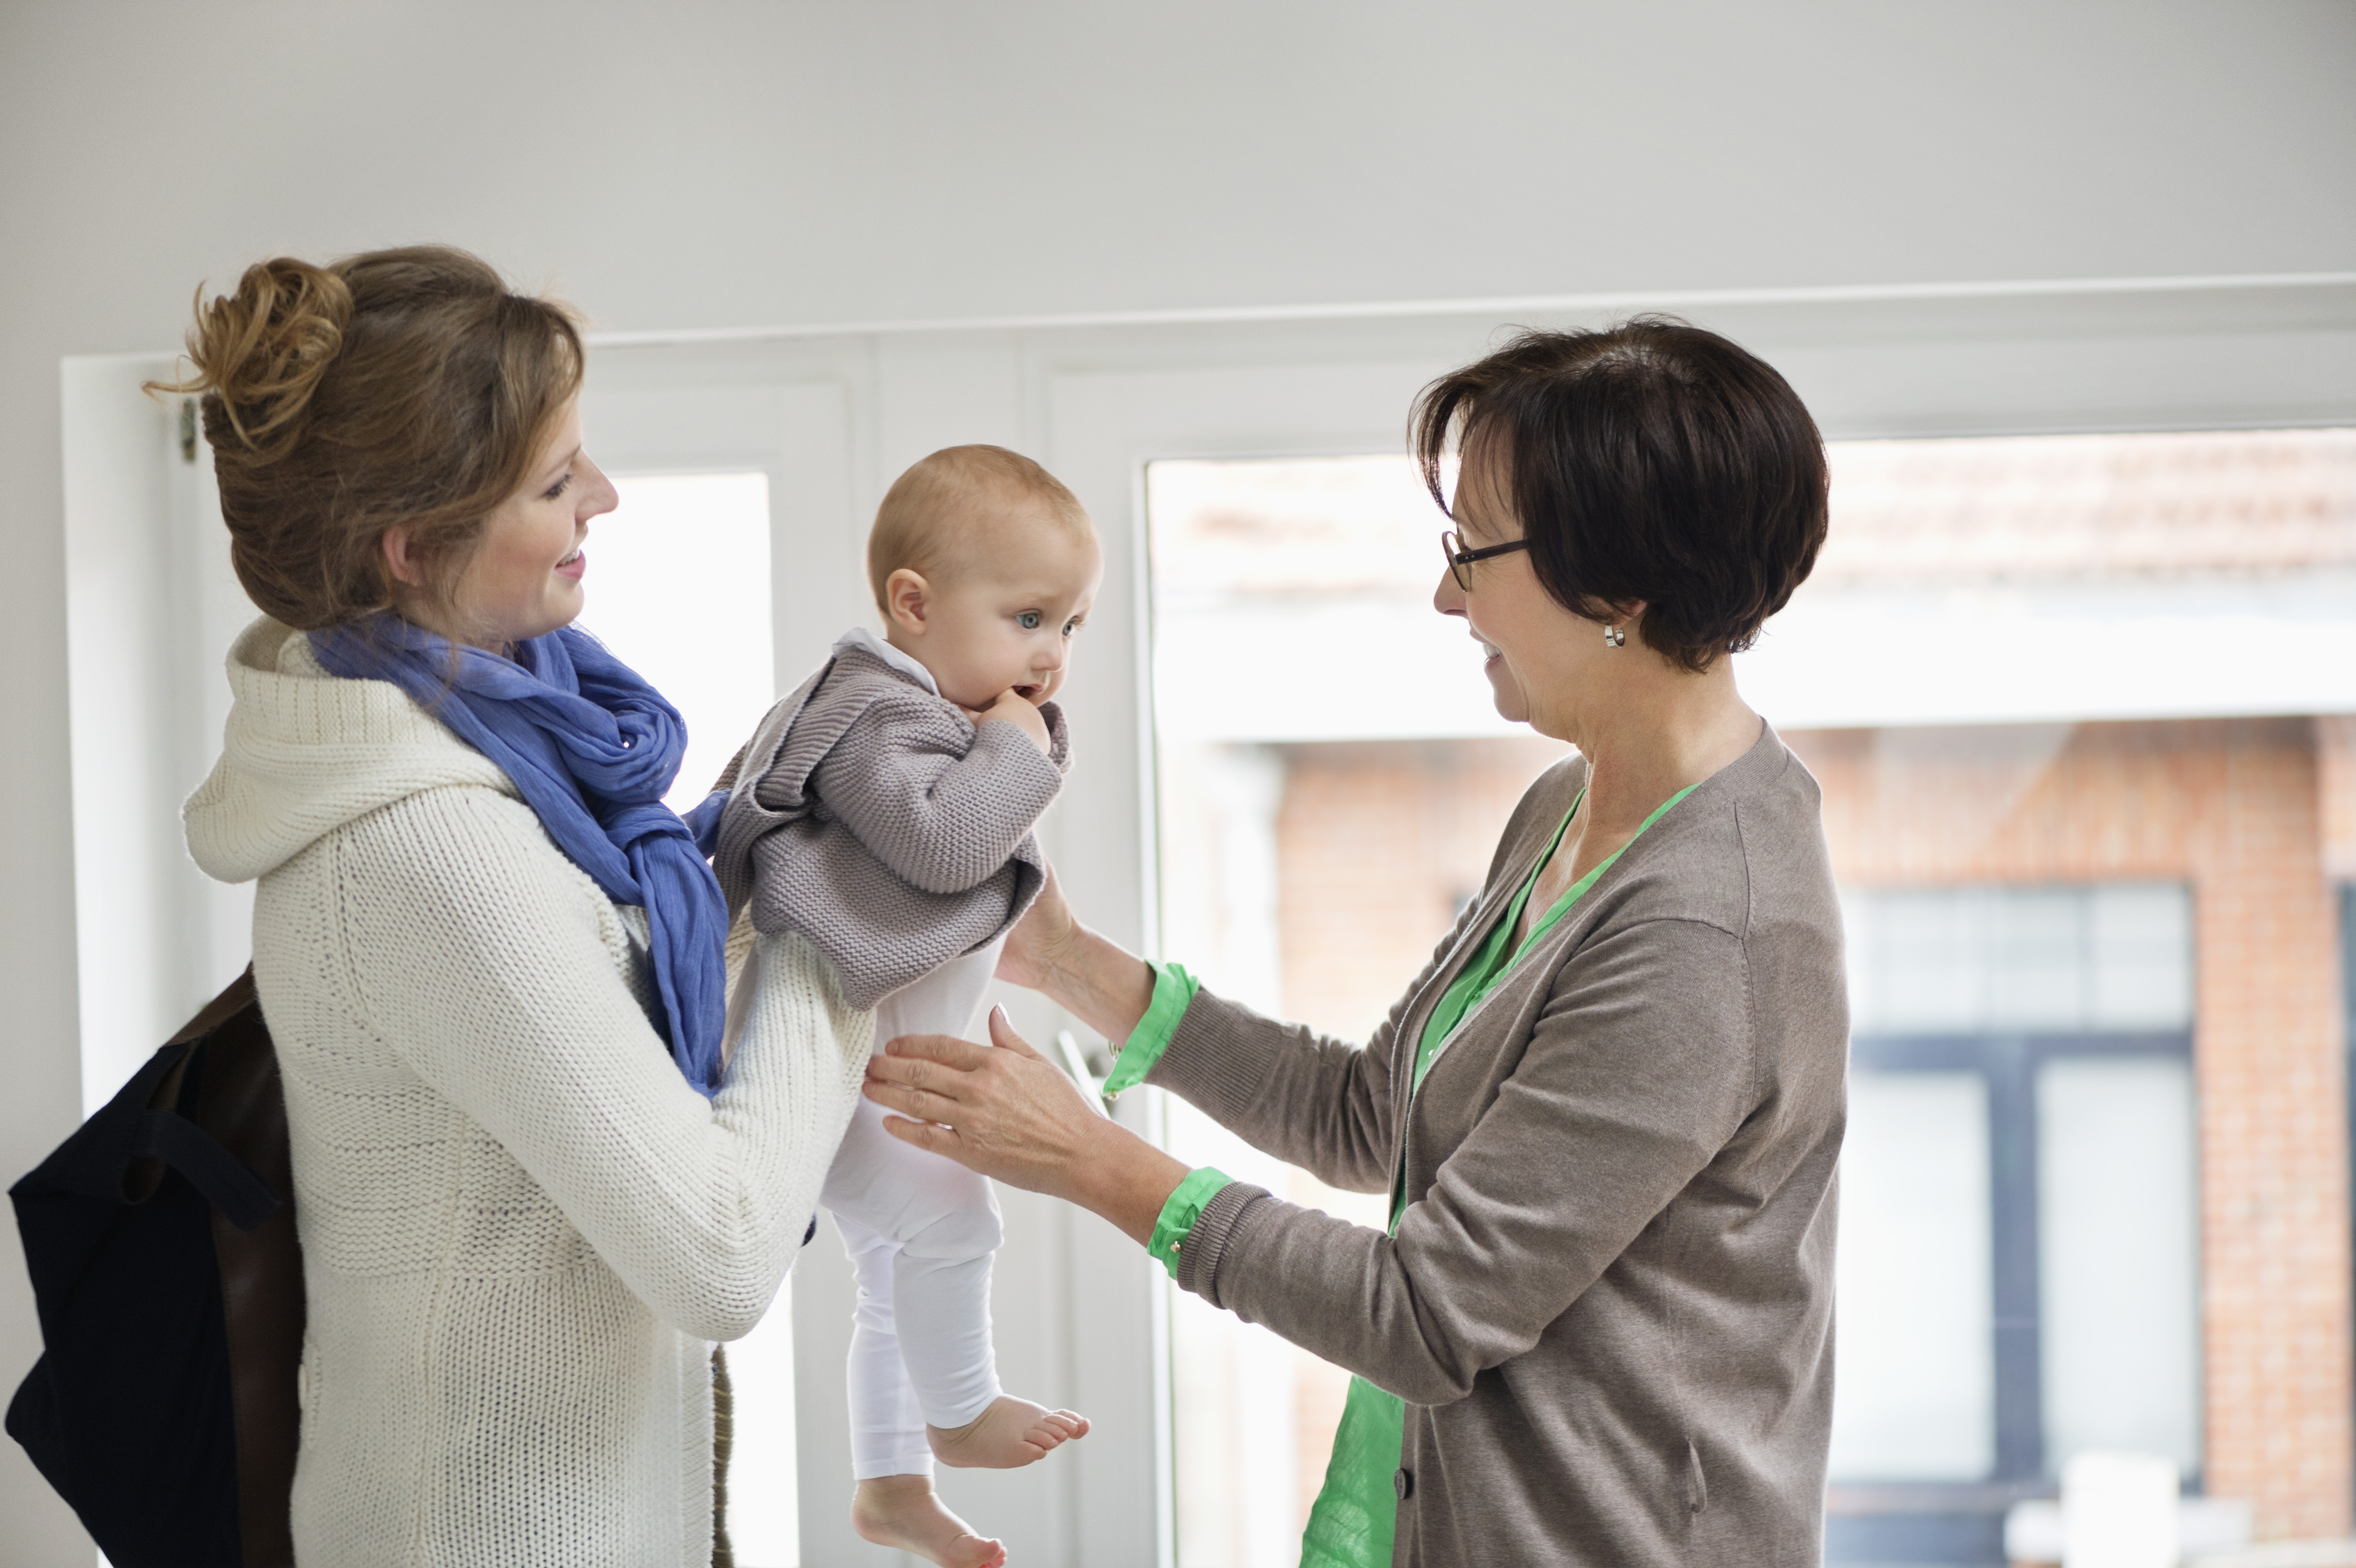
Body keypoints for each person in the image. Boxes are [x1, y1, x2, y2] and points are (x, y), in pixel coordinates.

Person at [862, 319, 1849, 1567]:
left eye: (1474, 550)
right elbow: (1376, 1114)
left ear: (1620, 591)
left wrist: (1090, 1160)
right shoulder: (1574, 803)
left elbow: (1425, 1313)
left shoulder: (1707, 933)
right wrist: (1069, 960)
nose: (1449, 594)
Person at [170, 246, 870, 1565]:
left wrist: (784, 815)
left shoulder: (491, 759)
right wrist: (853, 928)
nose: (603, 496)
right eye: (555, 483)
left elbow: (597, 985)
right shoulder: (430, 851)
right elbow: (720, 1252)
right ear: (413, 548)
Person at [711, 446, 1099, 1568]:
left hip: (878, 1065)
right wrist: (1019, 750)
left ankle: (891, 1485)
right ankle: (960, 1411)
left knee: (895, 1271)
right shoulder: (871, 716)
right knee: (955, 1227)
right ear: (915, 605)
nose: (1052, 655)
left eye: (1072, 625)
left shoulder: (921, 710)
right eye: (1028, 617)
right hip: (830, 1071)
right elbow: (943, 845)